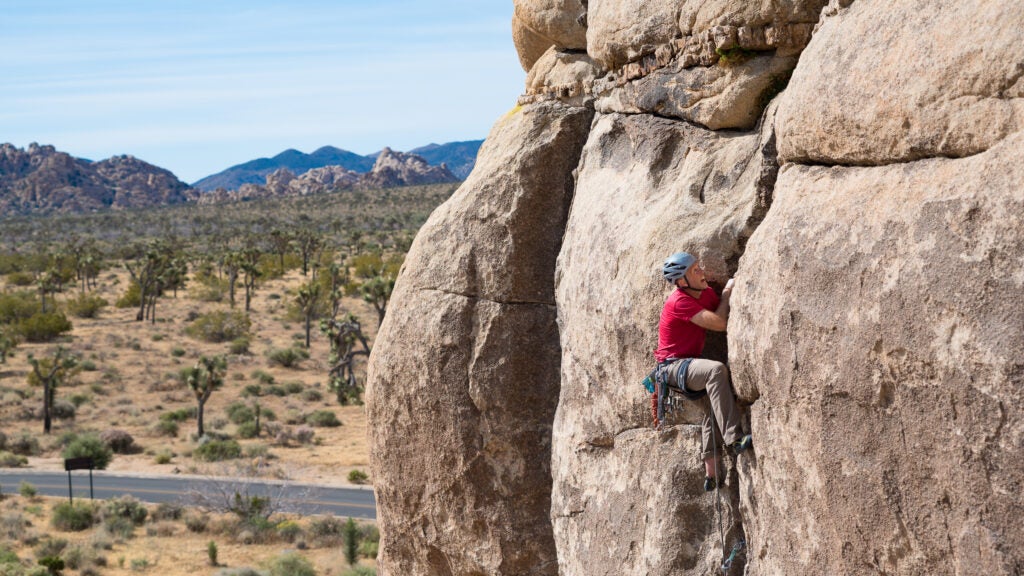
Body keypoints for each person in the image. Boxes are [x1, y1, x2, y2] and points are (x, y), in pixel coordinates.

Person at [655, 251, 752, 491]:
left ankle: (712, 473)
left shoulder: (705, 293)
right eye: (695, 270)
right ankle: (734, 438)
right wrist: (727, 293)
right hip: (671, 367)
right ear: (681, 281)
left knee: (712, 408)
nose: (702, 273)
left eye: (699, 267)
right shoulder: (679, 302)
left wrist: (723, 296)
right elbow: (720, 323)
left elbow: (718, 311)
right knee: (715, 371)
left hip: (687, 364)